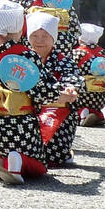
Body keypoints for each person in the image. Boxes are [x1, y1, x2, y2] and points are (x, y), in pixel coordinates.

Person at [0, 0, 58, 185]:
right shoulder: (26, 55)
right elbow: (43, 90)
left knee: (1, 146)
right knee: (40, 165)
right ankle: (16, 160)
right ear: (18, 26)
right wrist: (61, 93)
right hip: (19, 127)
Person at [26, 10, 83, 168]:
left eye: (45, 36)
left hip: (57, 112)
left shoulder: (63, 60)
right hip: (28, 112)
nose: (39, 41)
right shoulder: (23, 58)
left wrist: (71, 88)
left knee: (55, 156)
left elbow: (73, 77)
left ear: (54, 38)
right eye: (35, 36)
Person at [74, 23, 105, 128]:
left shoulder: (76, 53)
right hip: (101, 96)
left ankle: (82, 113)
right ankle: (97, 115)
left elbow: (68, 72)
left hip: (83, 93)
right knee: (96, 106)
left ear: (80, 38)